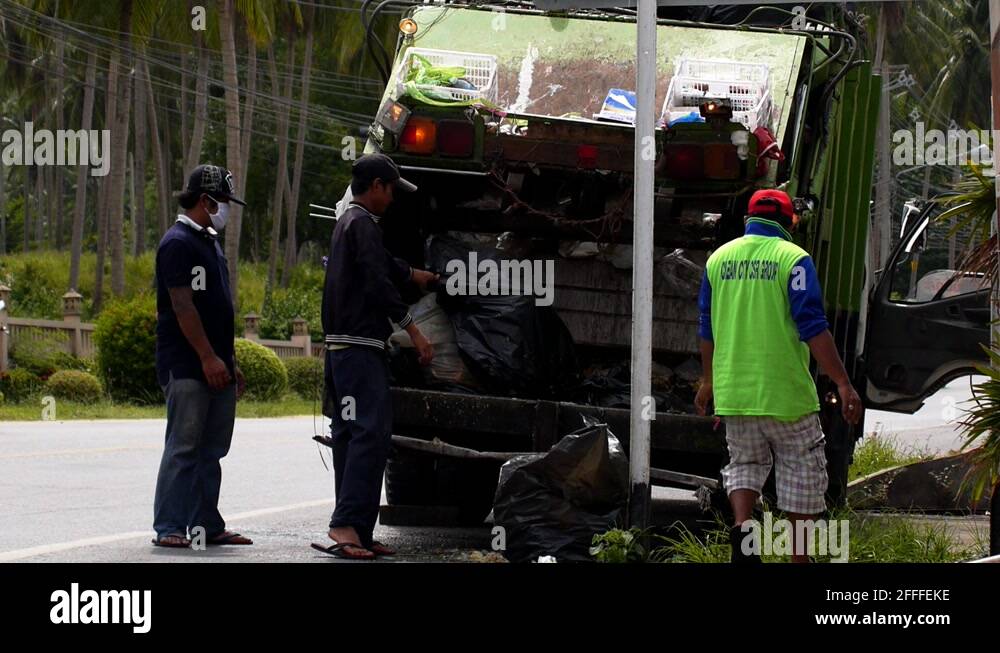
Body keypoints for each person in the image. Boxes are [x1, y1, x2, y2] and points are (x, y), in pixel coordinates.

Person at [694, 189, 862, 563]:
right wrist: (843, 382)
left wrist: (708, 383)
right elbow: (813, 327)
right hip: (786, 396)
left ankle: (742, 532)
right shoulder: (795, 259)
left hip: (735, 394)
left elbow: (706, 328)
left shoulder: (717, 260)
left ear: (747, 220)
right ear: (789, 223)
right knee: (801, 470)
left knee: (744, 464)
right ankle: (798, 558)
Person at [314, 153, 437, 560]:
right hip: (359, 350)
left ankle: (358, 530)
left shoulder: (348, 223)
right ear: (377, 186)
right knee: (370, 433)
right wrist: (414, 330)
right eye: (391, 190)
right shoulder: (363, 224)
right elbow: (377, 282)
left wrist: (412, 274)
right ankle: (346, 525)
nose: (393, 199)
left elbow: (383, 265)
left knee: (351, 434)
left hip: (341, 351)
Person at [151, 164, 252, 548]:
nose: (225, 209)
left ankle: (205, 524)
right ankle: (170, 526)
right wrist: (208, 358)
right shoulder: (178, 243)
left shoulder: (208, 241)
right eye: (222, 201)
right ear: (206, 201)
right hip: (188, 365)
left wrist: (228, 361)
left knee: (212, 449)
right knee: (184, 446)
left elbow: (215, 309)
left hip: (216, 363)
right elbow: (183, 306)